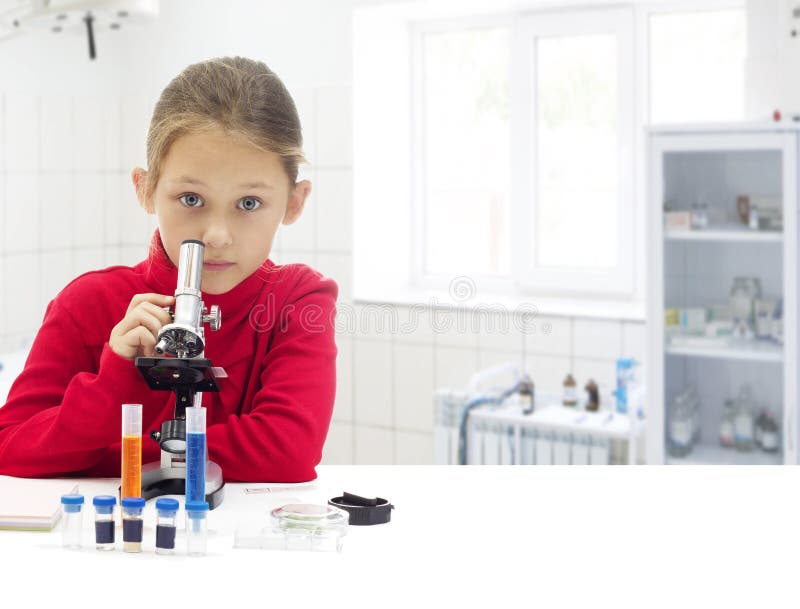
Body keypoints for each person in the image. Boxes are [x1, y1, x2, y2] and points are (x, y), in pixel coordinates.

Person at [0, 57, 338, 482]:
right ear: (145, 189)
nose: (216, 235)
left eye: (248, 203)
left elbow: (288, 449)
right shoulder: (87, 303)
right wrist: (114, 384)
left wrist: (125, 452)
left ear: (294, 201)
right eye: (191, 198)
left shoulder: (298, 300)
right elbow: (9, 448)